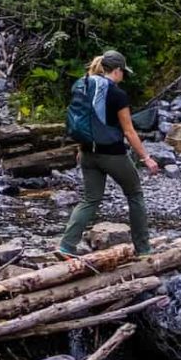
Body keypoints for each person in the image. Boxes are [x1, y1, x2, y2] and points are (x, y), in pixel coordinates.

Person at [57, 50, 157, 257]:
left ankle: (66, 246)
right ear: (118, 70)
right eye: (123, 72)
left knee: (90, 199)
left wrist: (80, 148)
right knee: (135, 194)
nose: (123, 76)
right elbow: (128, 130)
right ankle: (144, 248)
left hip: (87, 152)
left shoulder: (82, 85)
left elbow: (84, 119)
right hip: (112, 154)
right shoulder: (117, 94)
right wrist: (145, 157)